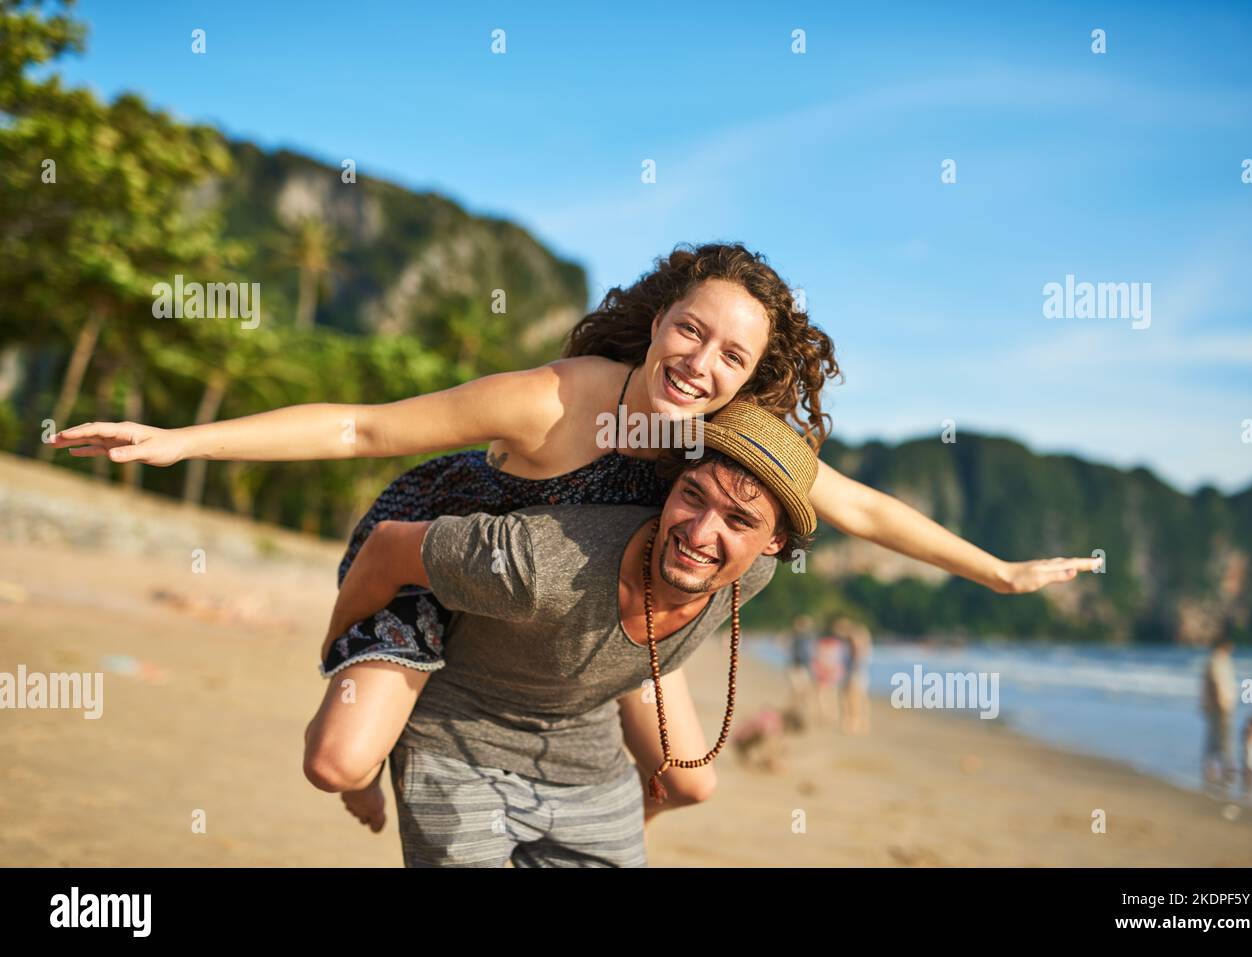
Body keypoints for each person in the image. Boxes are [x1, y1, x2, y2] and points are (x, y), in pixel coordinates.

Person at [53, 241, 1102, 826]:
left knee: (689, 779)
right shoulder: (556, 401)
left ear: (749, 379)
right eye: (690, 329)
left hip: (580, 603)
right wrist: (182, 439)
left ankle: (561, 829)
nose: (700, 362)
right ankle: (397, 744)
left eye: (732, 357)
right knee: (337, 761)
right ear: (658, 318)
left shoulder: (721, 433)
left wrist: (995, 572)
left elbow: (860, 506)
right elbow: (360, 425)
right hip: (446, 557)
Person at [313, 401, 812, 865]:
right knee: (340, 763)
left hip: (583, 752)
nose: (701, 533)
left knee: (691, 784)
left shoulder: (751, 577)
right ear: (672, 485)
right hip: (458, 741)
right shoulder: (535, 563)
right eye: (692, 495)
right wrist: (337, 659)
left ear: (774, 542)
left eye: (739, 520)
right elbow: (384, 548)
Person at [1201, 636, 1237, 784]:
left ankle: (1217, 767)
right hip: (1219, 707)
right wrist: (1221, 704)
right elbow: (1215, 684)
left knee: (1218, 738)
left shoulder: (1223, 660)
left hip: (1221, 706)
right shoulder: (1216, 660)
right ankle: (1222, 768)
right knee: (1221, 738)